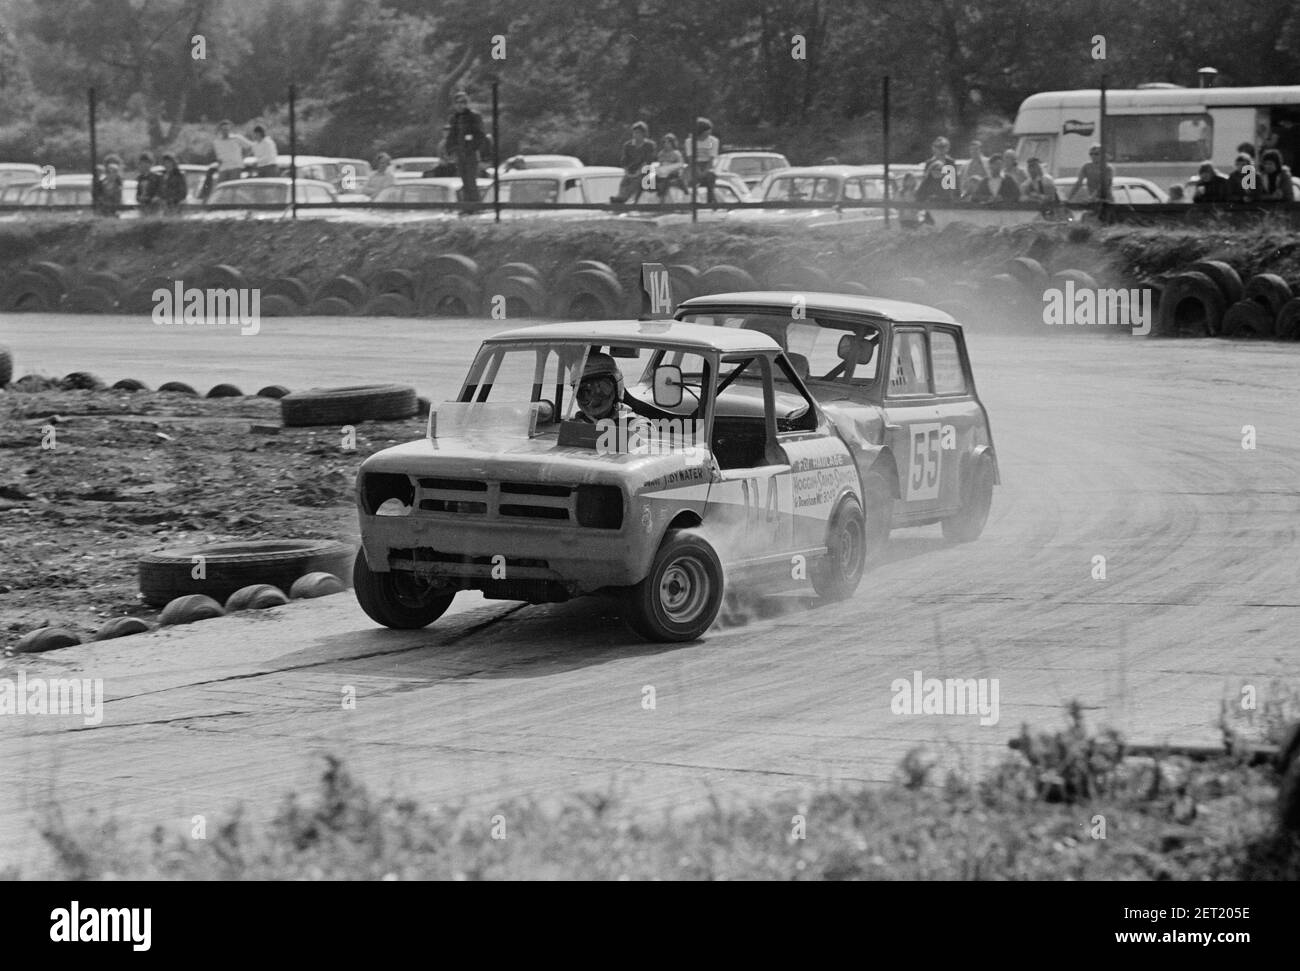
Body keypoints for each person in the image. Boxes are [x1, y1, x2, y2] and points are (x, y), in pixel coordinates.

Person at [443, 91, 488, 204]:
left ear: (467, 103)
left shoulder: (474, 116)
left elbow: (481, 135)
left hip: (471, 154)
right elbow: (451, 136)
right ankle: (467, 206)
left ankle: (475, 205)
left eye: (463, 102)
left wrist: (472, 148)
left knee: (471, 181)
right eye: (457, 102)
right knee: (464, 181)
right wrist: (451, 150)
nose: (460, 105)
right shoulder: (454, 118)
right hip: (460, 154)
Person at [612, 121, 656, 203]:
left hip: (644, 170)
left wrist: (638, 172)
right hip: (631, 170)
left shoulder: (649, 145)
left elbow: (648, 161)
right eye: (634, 133)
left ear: (643, 134)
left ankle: (624, 198)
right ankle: (620, 197)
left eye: (638, 133)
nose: (636, 135)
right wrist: (627, 172)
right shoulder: (628, 145)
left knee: (636, 181)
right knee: (624, 182)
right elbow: (624, 160)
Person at [684, 117, 720, 204]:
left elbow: (711, 159)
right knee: (688, 177)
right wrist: (697, 170)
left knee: (711, 176)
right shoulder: (690, 141)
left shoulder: (713, 141)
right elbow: (690, 159)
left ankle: (710, 201)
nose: (709, 132)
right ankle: (692, 200)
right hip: (694, 165)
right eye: (707, 130)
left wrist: (704, 172)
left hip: (707, 165)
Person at [655, 133, 685, 203]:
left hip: (673, 174)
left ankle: (661, 199)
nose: (666, 144)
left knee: (666, 178)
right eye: (665, 142)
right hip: (663, 173)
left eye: (668, 142)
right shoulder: (661, 153)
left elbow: (680, 166)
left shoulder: (676, 153)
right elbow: (660, 165)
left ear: (672, 143)